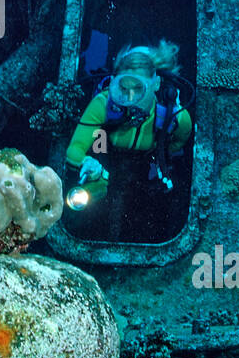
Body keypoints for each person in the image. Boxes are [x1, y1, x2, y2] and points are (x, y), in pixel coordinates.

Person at [65, 40, 194, 241]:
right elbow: (75, 149)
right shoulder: (102, 104)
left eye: (138, 88)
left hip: (148, 161)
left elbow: (178, 144)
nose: (131, 97)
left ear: (156, 84)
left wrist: (161, 156)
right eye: (124, 88)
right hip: (107, 159)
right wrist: (87, 162)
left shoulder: (177, 118)